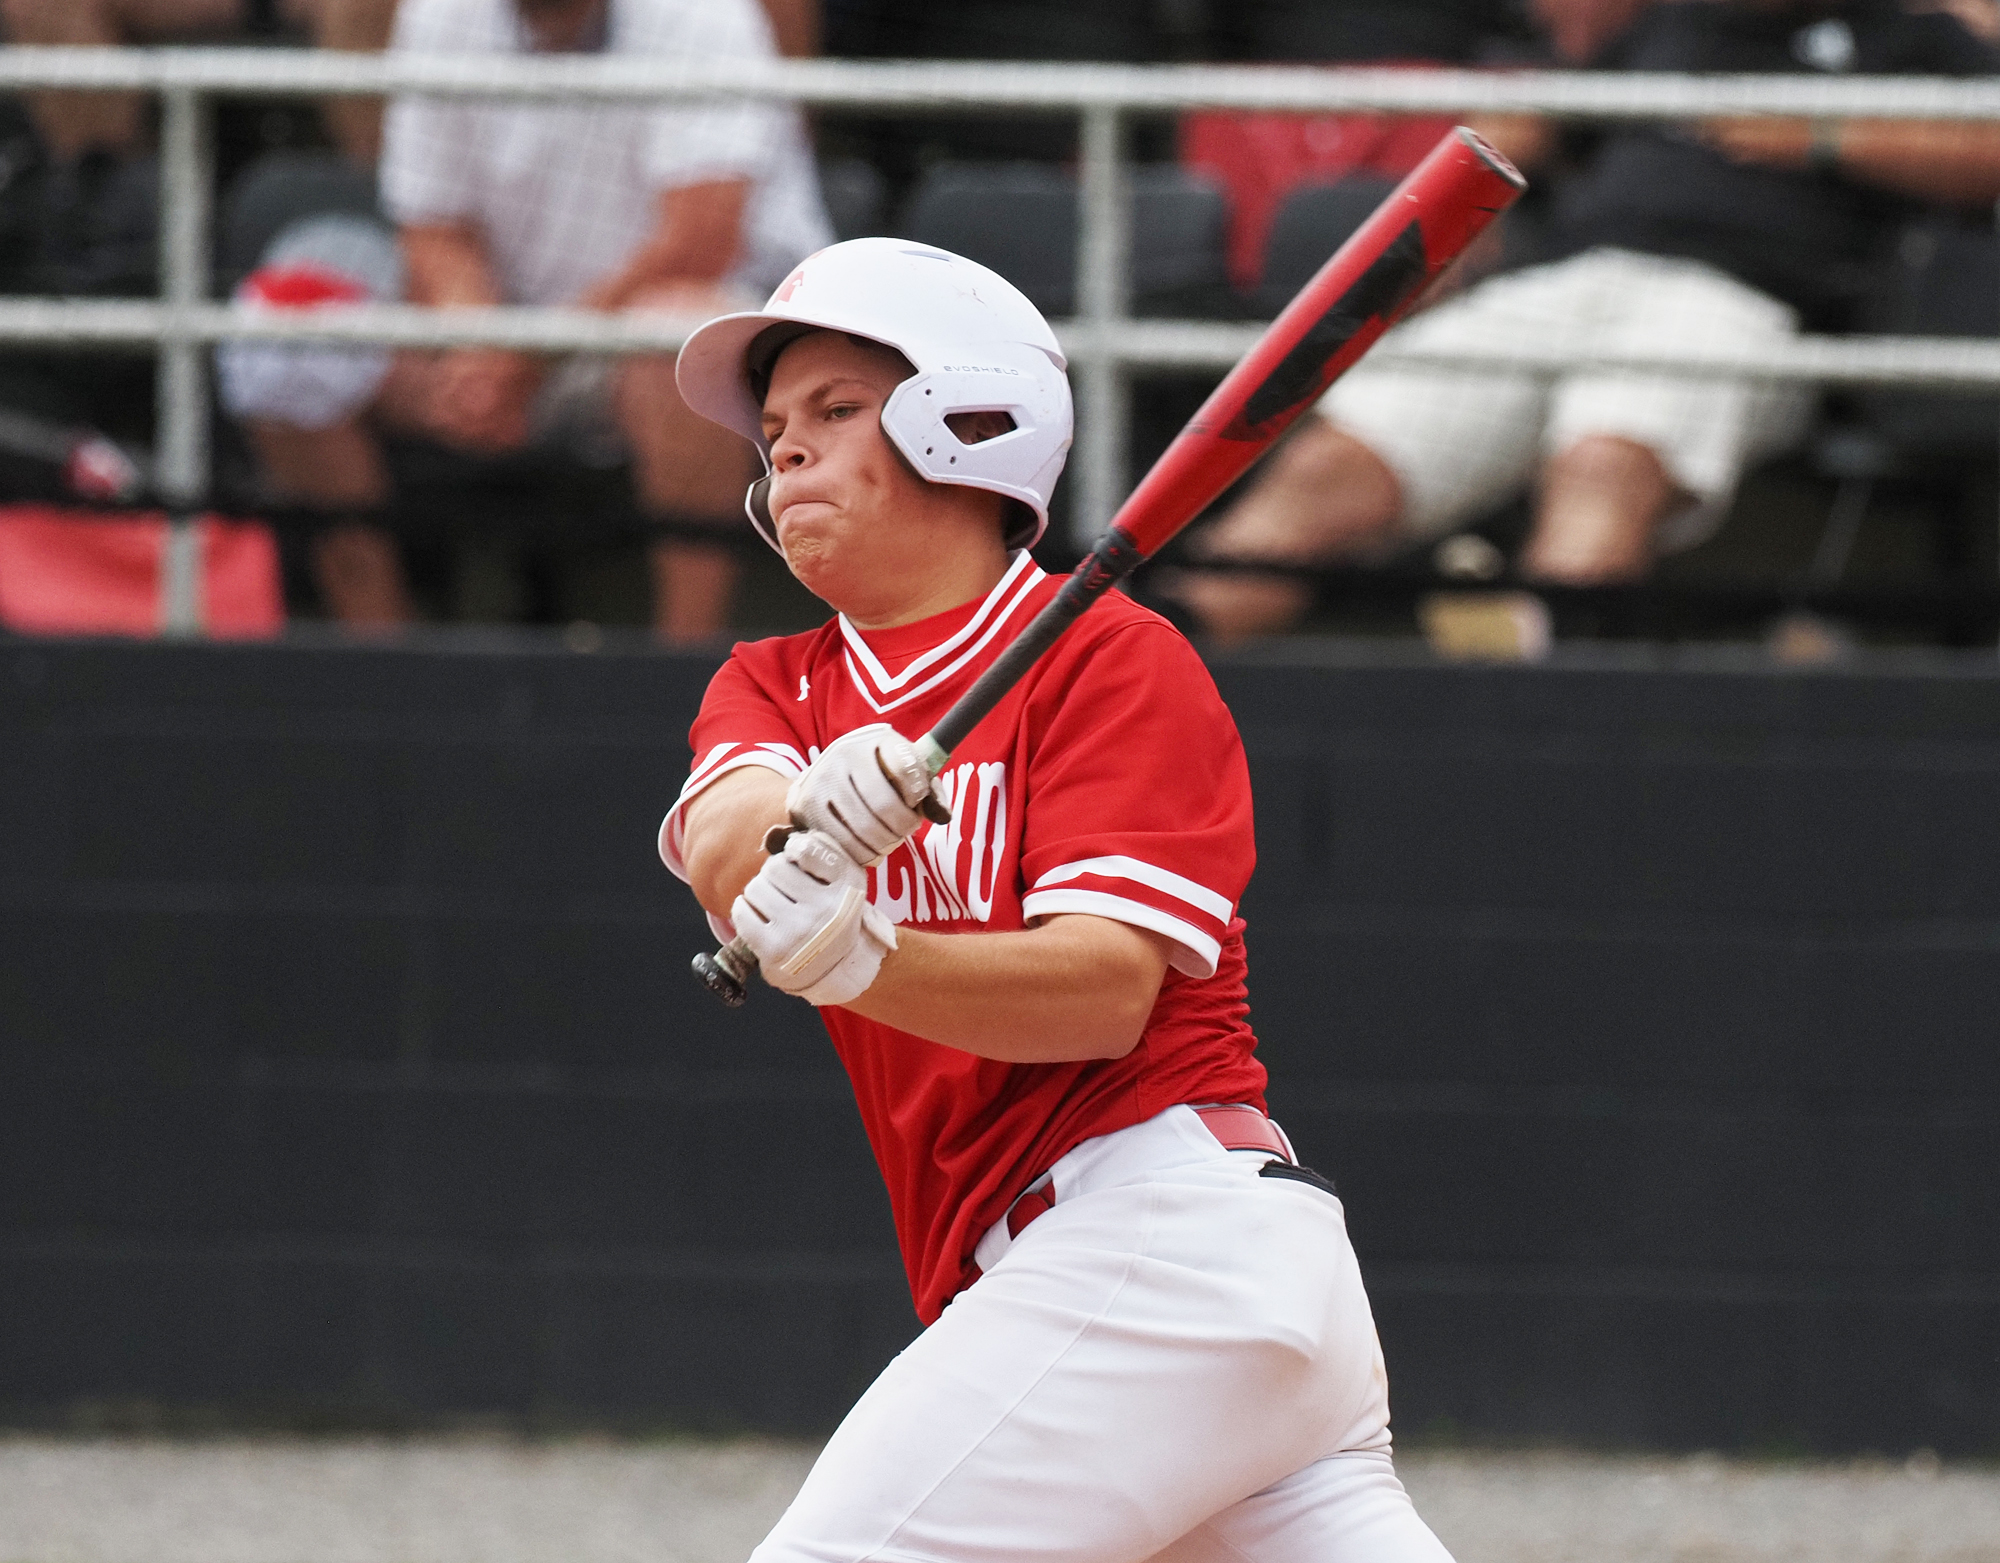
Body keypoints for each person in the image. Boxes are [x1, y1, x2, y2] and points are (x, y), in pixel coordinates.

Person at [659, 237, 1455, 1563]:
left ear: (965, 419)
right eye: (777, 430)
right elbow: (724, 842)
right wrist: (807, 814)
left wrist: (866, 955)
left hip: (1159, 1237)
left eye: (836, 411)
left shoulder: (1115, 662)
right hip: (1123, 1289)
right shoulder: (778, 680)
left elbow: (1100, 989)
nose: (784, 452)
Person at [1171, 0, 2000, 642]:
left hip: (1741, 301)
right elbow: (1529, 123)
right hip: (1562, 287)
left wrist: (1819, 136)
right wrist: (1491, 154)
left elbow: (1988, 150)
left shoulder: (1915, 38)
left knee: (1604, 466)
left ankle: (1540, 701)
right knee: (1323, 469)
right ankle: (1148, 671)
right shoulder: (1661, 25)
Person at [219, 0, 832, 636]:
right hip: (505, 331)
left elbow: (700, 242)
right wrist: (481, 345)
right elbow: (432, 224)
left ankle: (683, 668)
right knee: (281, 337)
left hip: (646, 329)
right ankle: (380, 648)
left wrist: (527, 354)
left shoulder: (705, 15)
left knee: (682, 341)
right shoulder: (439, 15)